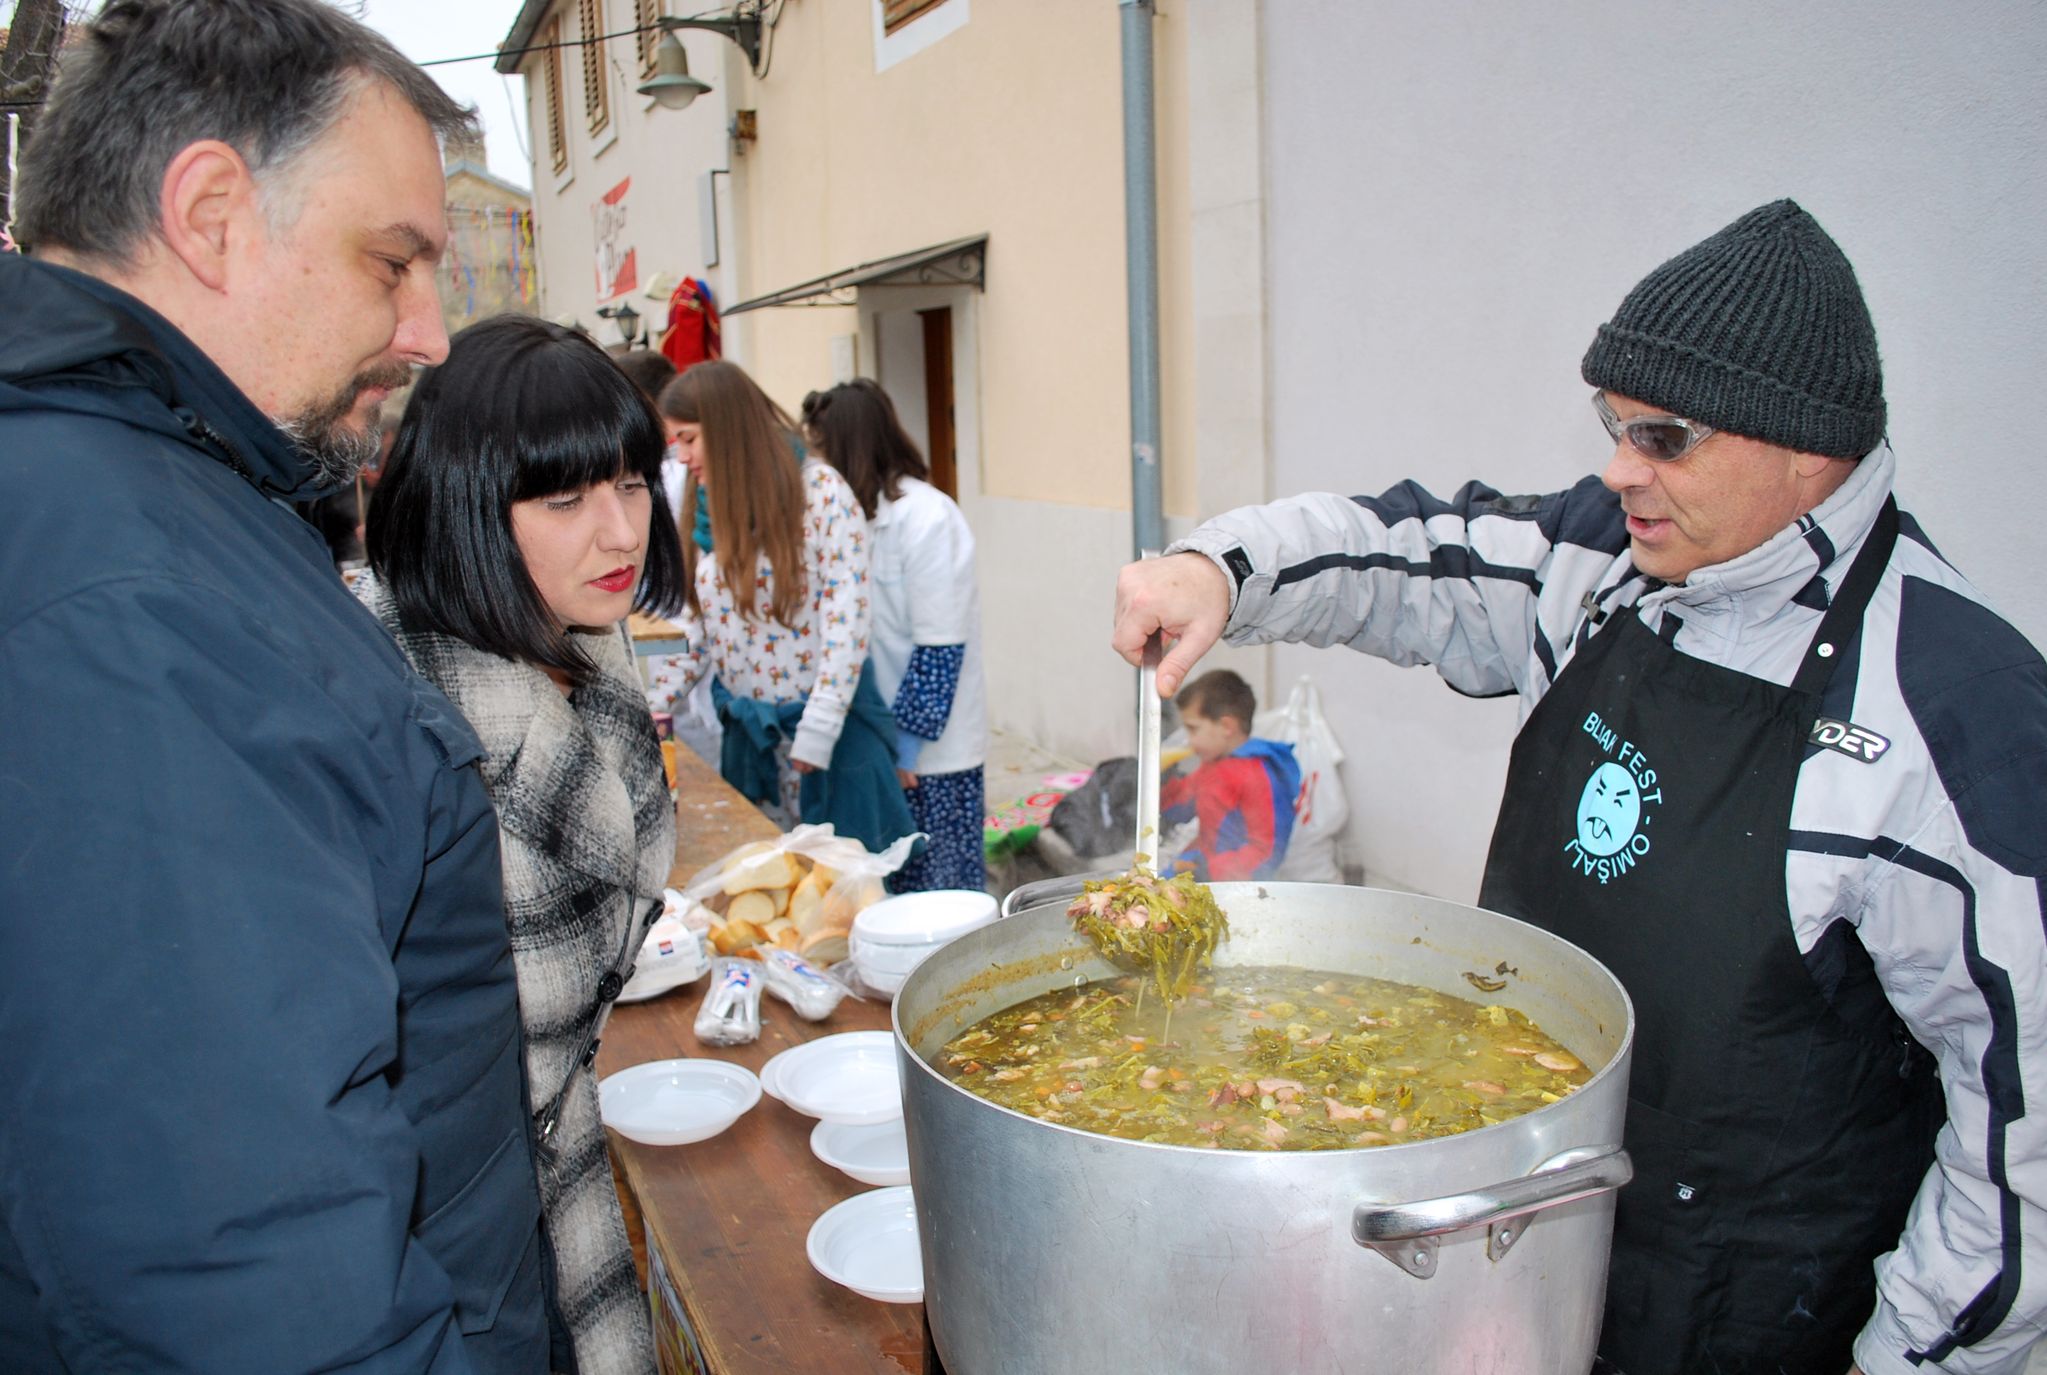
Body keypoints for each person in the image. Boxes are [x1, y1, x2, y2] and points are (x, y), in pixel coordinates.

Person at [1112, 200, 2047, 1375]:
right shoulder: (1602, 560)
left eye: (1664, 437)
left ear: (1804, 447)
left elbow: (2025, 1129)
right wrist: (1219, 569)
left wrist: (1915, 1361)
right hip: (1518, 1246)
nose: (1617, 468)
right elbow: (1405, 553)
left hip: (1754, 1310)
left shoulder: (1955, 713)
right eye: (1614, 425)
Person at [0, 2, 555, 1370]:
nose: (429, 330)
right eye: (393, 262)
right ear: (210, 212)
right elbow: (246, 1265)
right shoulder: (140, 610)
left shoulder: (158, 507)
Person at [359, 315, 685, 1375]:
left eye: (632, 483)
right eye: (564, 497)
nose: (620, 531)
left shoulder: (588, 653)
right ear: (463, 505)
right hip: (451, 1254)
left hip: (550, 1188)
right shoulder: (399, 724)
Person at [647, 361, 916, 856]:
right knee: (770, 899)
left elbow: (847, 623)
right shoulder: (710, 505)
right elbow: (700, 625)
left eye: (688, 439)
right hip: (755, 744)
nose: (680, 457)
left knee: (842, 906)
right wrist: (652, 706)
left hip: (830, 748)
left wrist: (817, 730)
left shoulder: (821, 494)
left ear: (726, 429)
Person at [802, 379, 988, 892]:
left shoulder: (927, 516)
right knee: (873, 892)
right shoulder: (848, 517)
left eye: (819, 451)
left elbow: (940, 646)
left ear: (845, 447)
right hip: (873, 742)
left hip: (929, 756)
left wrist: (903, 749)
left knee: (940, 895)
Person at [1159, 669, 1300, 882]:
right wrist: (1156, 787)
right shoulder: (1212, 766)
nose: (1189, 741)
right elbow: (1181, 805)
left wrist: (1211, 871)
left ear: (1227, 726)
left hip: (1235, 881)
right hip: (1200, 860)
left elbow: (1266, 851)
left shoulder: (1258, 774)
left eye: (1193, 729)